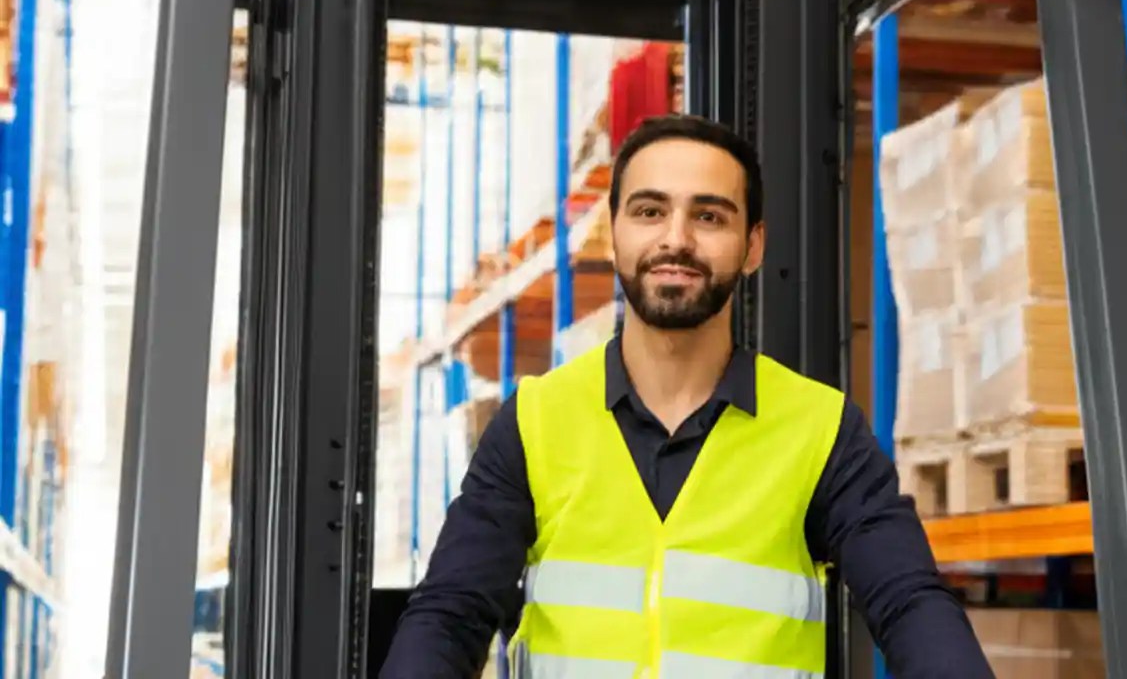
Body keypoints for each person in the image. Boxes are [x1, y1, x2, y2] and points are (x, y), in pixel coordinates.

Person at [380, 115, 994, 678]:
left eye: (709, 216)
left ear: (753, 246)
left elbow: (908, 601)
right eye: (649, 212)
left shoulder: (821, 430)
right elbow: (451, 612)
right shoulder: (537, 421)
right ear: (614, 233)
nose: (676, 239)